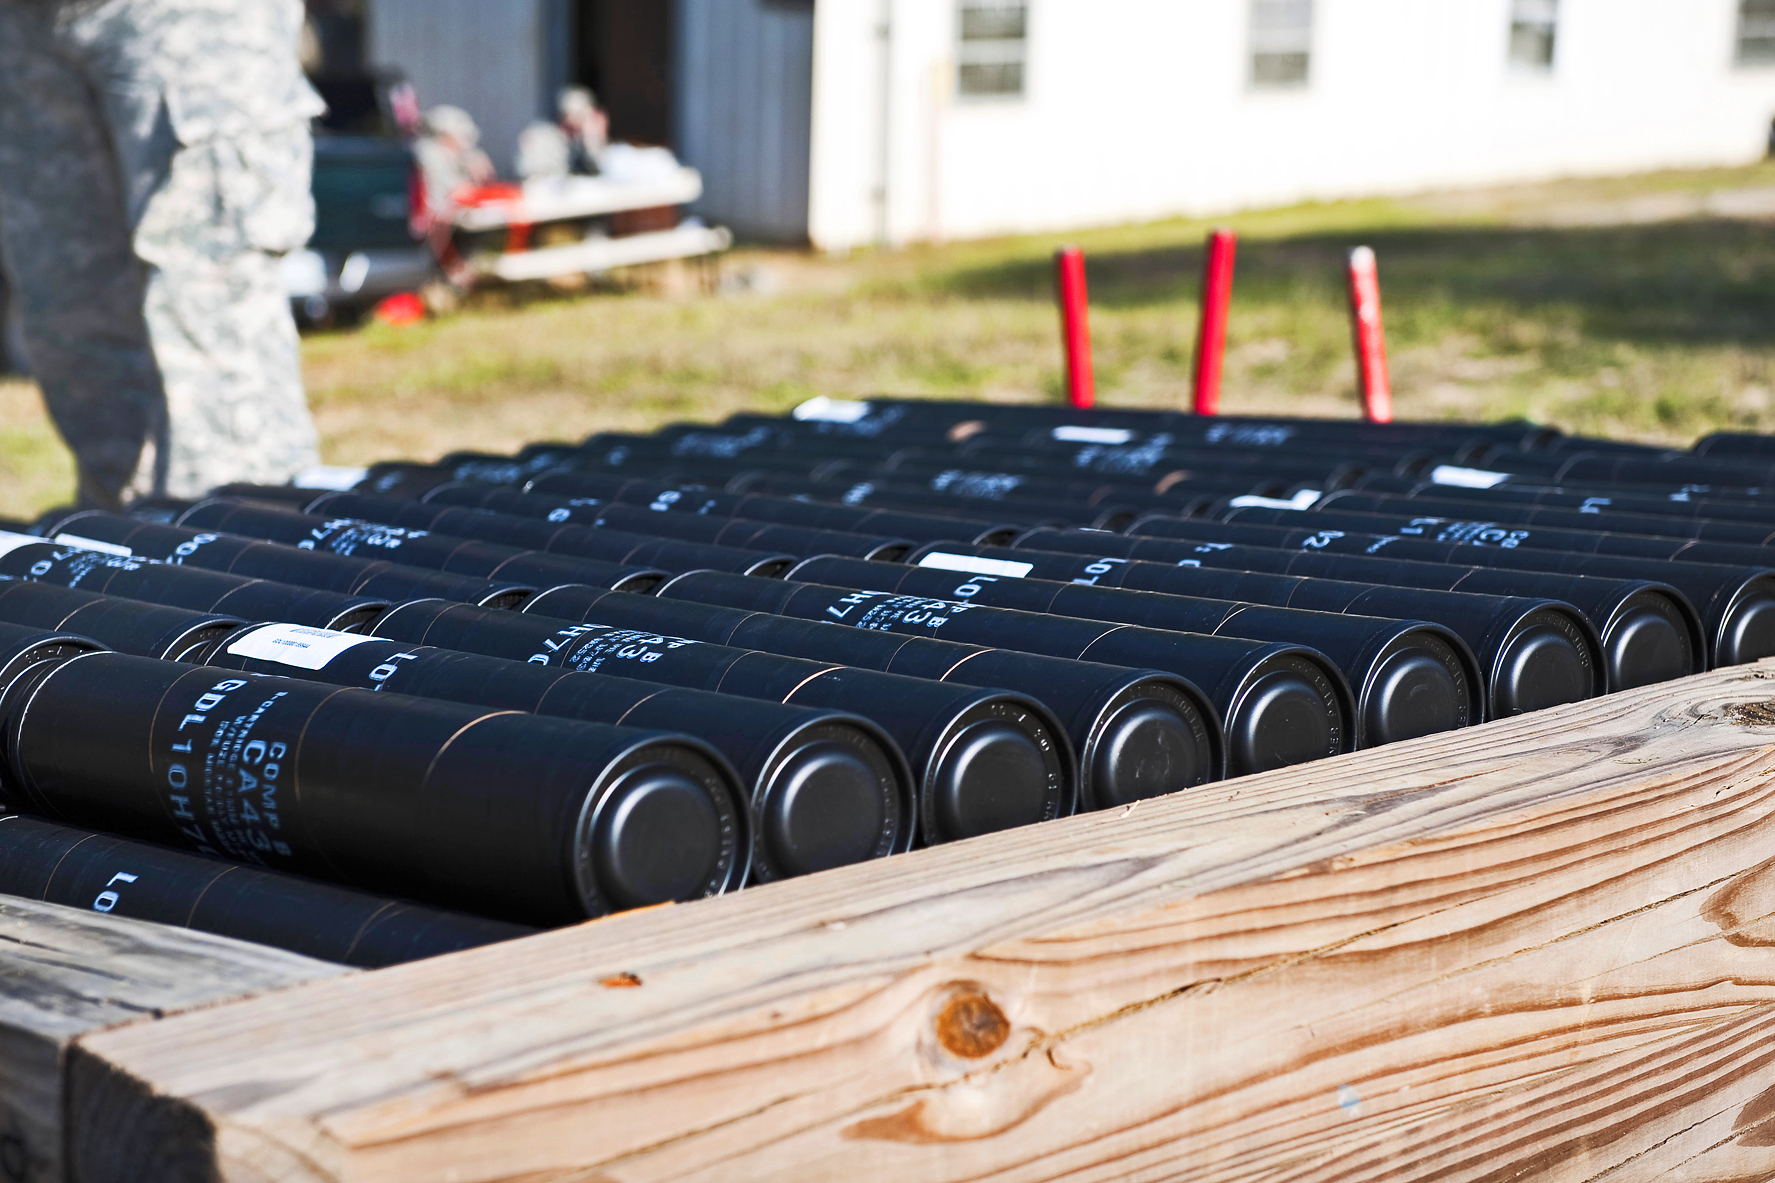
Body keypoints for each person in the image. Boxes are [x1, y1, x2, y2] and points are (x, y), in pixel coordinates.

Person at [0, 0, 325, 510]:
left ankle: (248, 561)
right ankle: (131, 560)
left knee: (211, 329)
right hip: (23, 25)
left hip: (184, 17)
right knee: (72, 333)